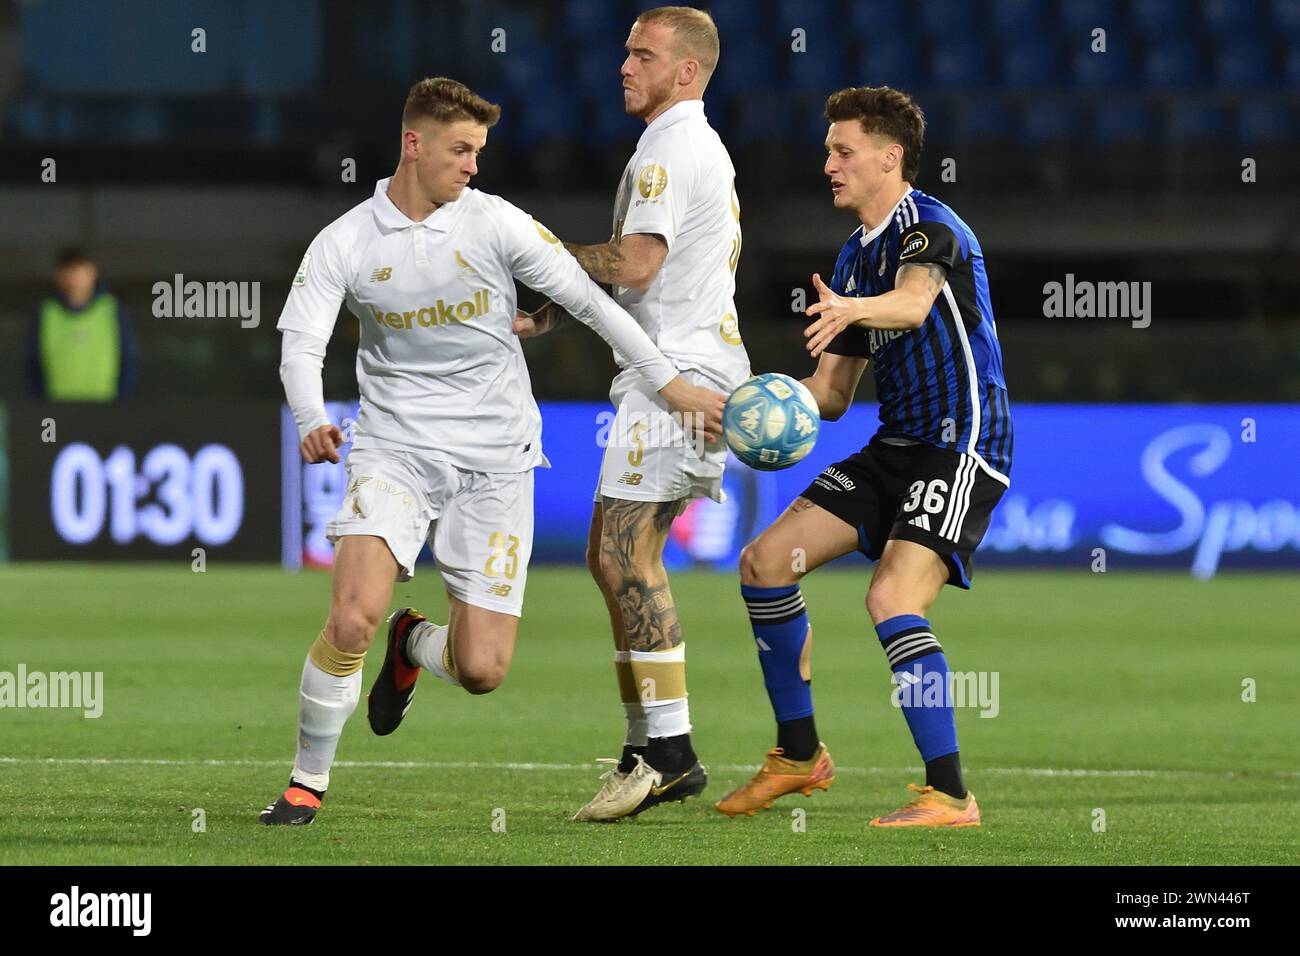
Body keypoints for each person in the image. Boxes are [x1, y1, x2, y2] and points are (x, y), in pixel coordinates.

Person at [260, 76, 724, 826]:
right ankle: (306, 782)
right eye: (461, 150)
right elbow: (300, 342)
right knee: (350, 619)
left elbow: (591, 303)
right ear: (414, 145)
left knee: (481, 669)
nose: (475, 166)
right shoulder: (345, 240)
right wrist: (311, 415)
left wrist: (672, 388)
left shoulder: (498, 224)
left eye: (480, 151)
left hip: (497, 459)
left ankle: (413, 643)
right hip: (394, 450)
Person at [715, 86, 1013, 827]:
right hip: (895, 446)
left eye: (842, 150)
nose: (829, 164)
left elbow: (912, 304)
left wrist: (852, 310)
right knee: (764, 561)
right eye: (828, 150)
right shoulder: (853, 258)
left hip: (961, 444)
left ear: (891, 156)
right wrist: (749, 403)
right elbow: (832, 394)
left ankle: (949, 793)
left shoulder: (930, 228)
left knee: (891, 598)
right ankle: (797, 756)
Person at [514, 6, 750, 822]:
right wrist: (559, 293)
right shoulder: (682, 144)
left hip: (677, 383)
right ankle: (648, 745)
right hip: (666, 377)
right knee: (610, 555)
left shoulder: (672, 146)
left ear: (686, 71)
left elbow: (636, 262)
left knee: (623, 557)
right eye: (624, 51)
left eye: (642, 55)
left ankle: (670, 753)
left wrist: (536, 257)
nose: (623, 65)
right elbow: (636, 271)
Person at [27, 247, 138, 401]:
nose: (74, 279)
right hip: (58, 406)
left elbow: (128, 359)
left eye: (78, 271)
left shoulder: (112, 310)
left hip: (105, 406)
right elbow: (33, 363)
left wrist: (121, 400)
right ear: (58, 276)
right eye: (68, 272)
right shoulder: (46, 313)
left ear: (92, 272)